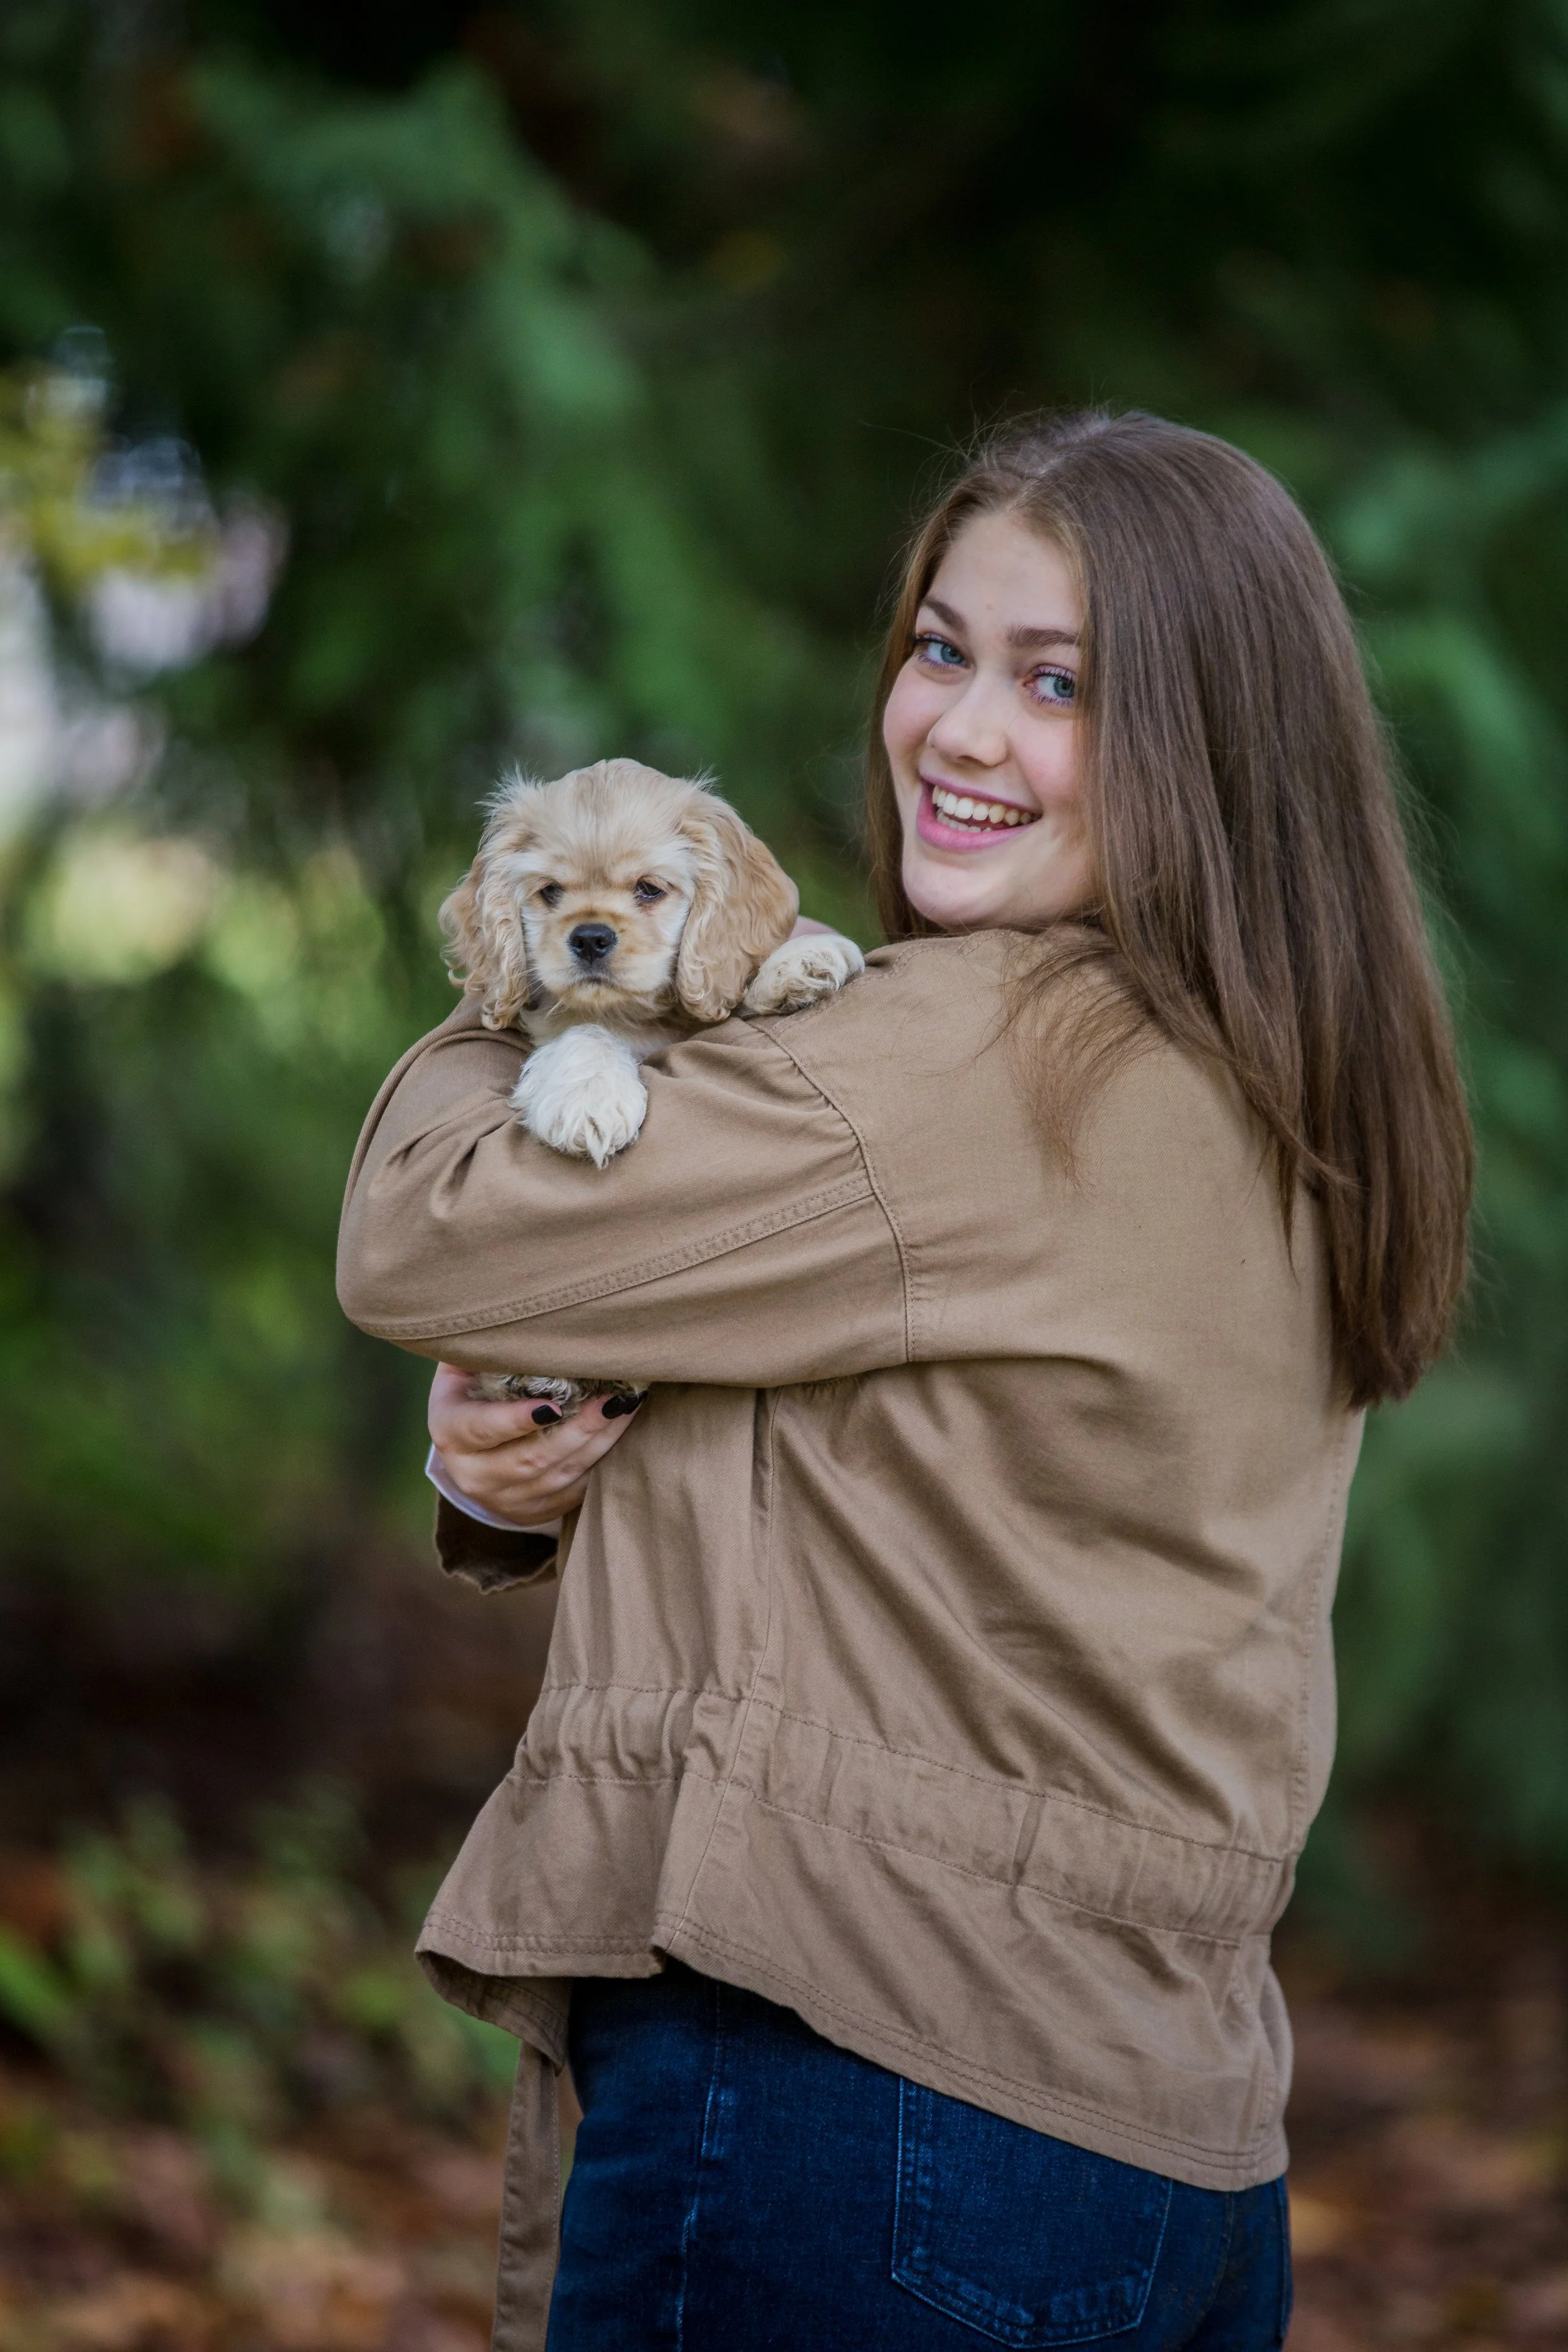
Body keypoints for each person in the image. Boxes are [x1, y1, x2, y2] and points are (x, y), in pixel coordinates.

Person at [337, 411, 1472, 2351]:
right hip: (1170, 2141)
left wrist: (530, 941)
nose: (956, 727)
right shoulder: (1291, 1069)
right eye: (940, 649)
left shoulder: (969, 1065)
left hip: (859, 2101)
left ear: (1203, 740)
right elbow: (934, 1494)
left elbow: (427, 1229)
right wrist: (501, 1481)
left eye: (1057, 685)